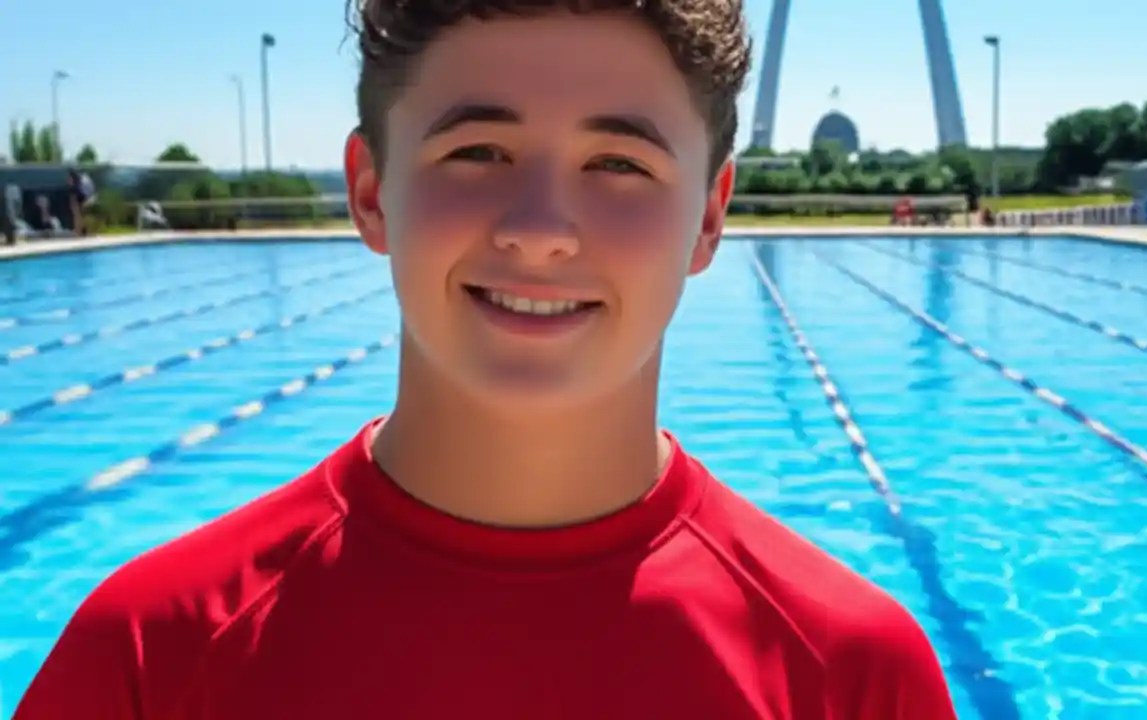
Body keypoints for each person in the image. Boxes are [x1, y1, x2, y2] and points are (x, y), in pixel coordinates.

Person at [14, 2, 957, 718]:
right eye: (478, 151)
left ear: (708, 217)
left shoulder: (850, 675)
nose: (541, 230)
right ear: (373, 192)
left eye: (619, 165)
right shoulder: (150, 656)